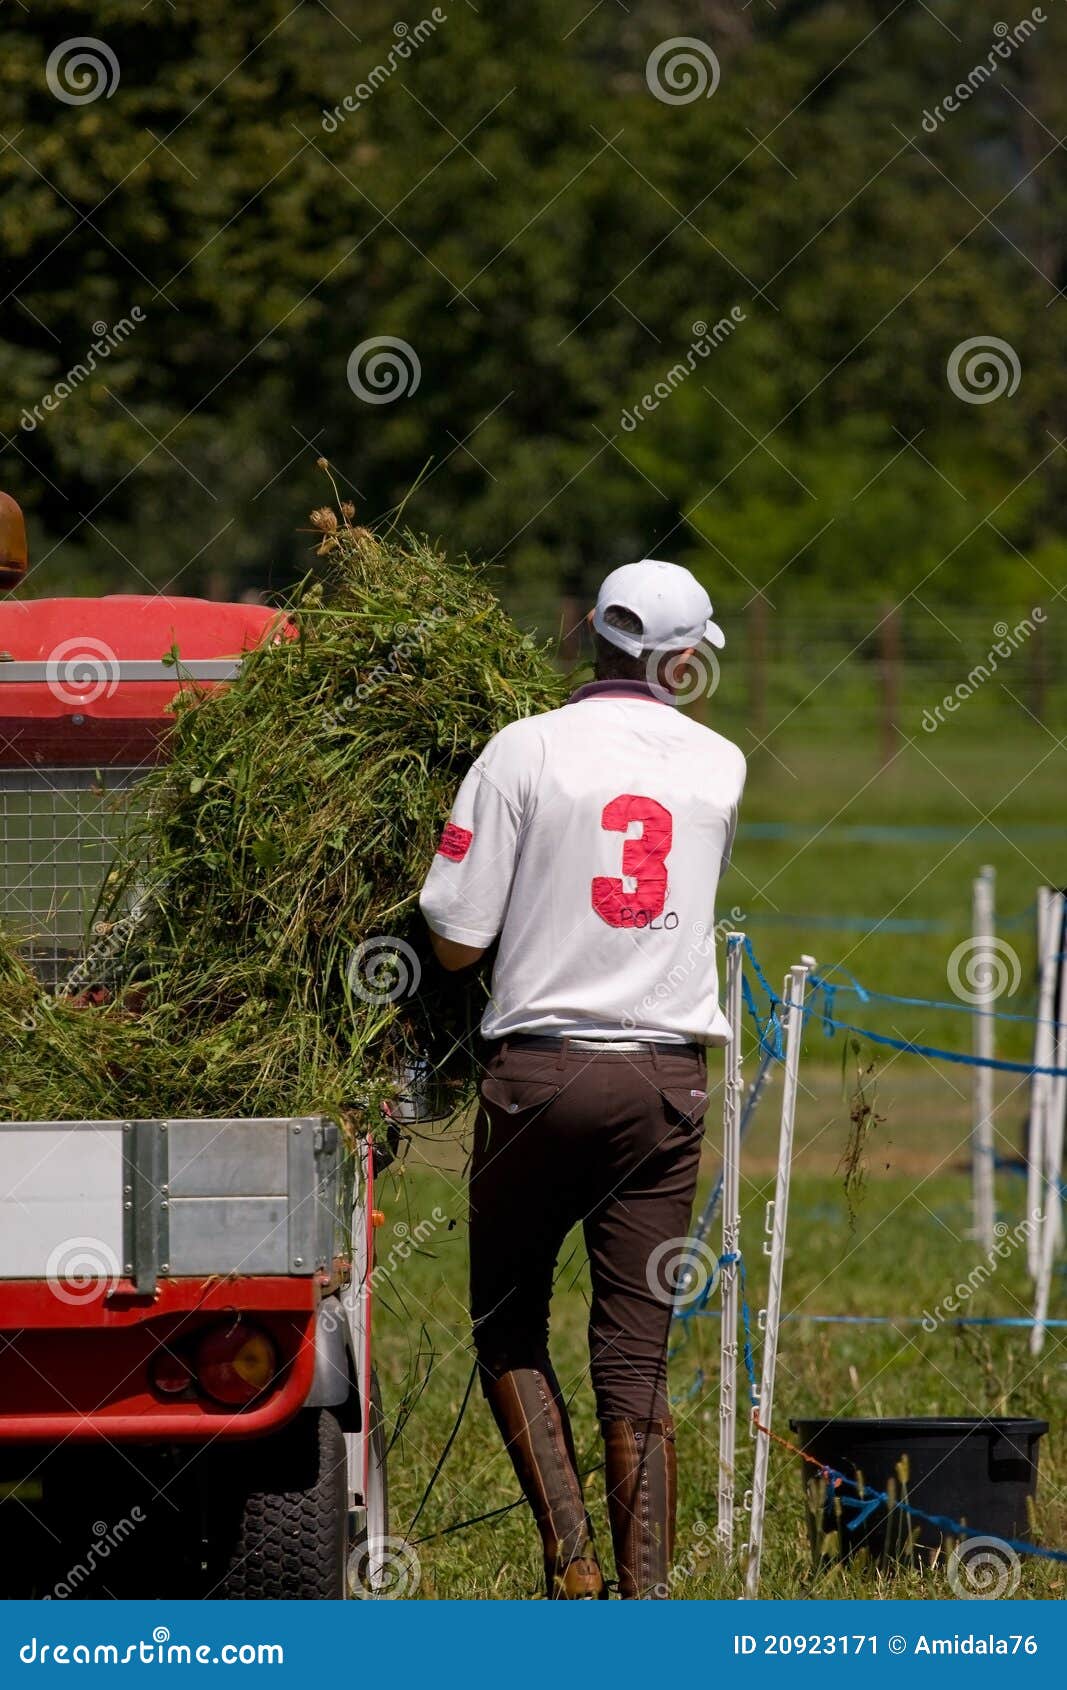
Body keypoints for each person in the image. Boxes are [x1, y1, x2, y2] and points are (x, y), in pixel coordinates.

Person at [419, 558, 746, 1599]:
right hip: (661, 1085)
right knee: (634, 1356)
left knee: (508, 1323)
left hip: (536, 1076)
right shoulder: (719, 763)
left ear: (588, 637)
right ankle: (645, 1601)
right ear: (681, 657)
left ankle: (567, 1560)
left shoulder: (522, 748)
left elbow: (457, 938)